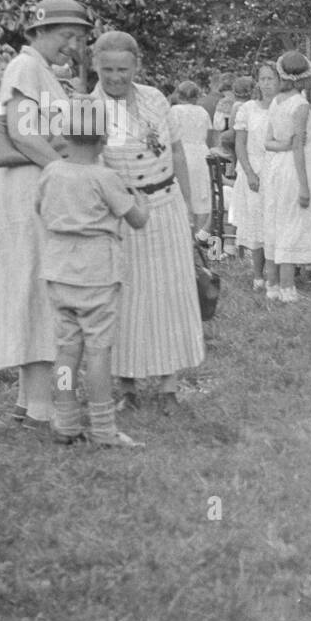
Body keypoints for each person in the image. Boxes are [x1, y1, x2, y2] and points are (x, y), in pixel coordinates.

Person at [92, 31, 205, 414]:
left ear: (136, 66)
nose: (115, 77)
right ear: (96, 67)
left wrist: (190, 204)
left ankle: (169, 384)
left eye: (123, 69)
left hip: (165, 203)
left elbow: (175, 151)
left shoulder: (155, 98)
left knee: (169, 294)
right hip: (121, 211)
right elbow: (88, 169)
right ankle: (127, 385)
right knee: (127, 298)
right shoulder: (85, 107)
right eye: (107, 69)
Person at [0, 0, 84, 430]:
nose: (72, 45)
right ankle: (43, 407)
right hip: (30, 187)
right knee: (38, 288)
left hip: (35, 185)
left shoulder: (40, 71)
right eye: (66, 35)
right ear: (40, 32)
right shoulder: (26, 68)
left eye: (77, 38)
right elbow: (23, 134)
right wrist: (63, 172)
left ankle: (29, 403)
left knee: (34, 287)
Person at [37, 103, 150, 448]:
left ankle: (66, 422)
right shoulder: (105, 177)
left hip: (58, 271)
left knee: (67, 351)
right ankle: (103, 429)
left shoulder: (51, 171)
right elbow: (136, 219)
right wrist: (141, 200)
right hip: (98, 273)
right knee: (99, 353)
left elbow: (39, 209)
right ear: (103, 140)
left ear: (65, 136)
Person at [262, 52, 311, 302]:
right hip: (297, 168)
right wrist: (304, 186)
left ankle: (271, 284)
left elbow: (269, 143)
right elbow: (298, 148)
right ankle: (286, 287)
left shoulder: (276, 101)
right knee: (292, 221)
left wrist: (285, 145)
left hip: (277, 168)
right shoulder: (300, 105)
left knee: (277, 220)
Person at [229, 65, 277, 289]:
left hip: (277, 166)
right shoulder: (248, 108)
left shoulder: (284, 106)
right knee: (258, 220)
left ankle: (278, 274)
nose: (267, 83)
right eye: (263, 79)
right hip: (254, 166)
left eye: (271, 78)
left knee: (277, 220)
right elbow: (239, 143)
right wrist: (249, 172)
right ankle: (258, 275)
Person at [170, 80, 212, 232]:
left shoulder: (174, 111)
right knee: (201, 193)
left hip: (182, 152)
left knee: (183, 190)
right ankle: (199, 233)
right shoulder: (203, 112)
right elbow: (207, 135)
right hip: (201, 154)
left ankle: (184, 231)